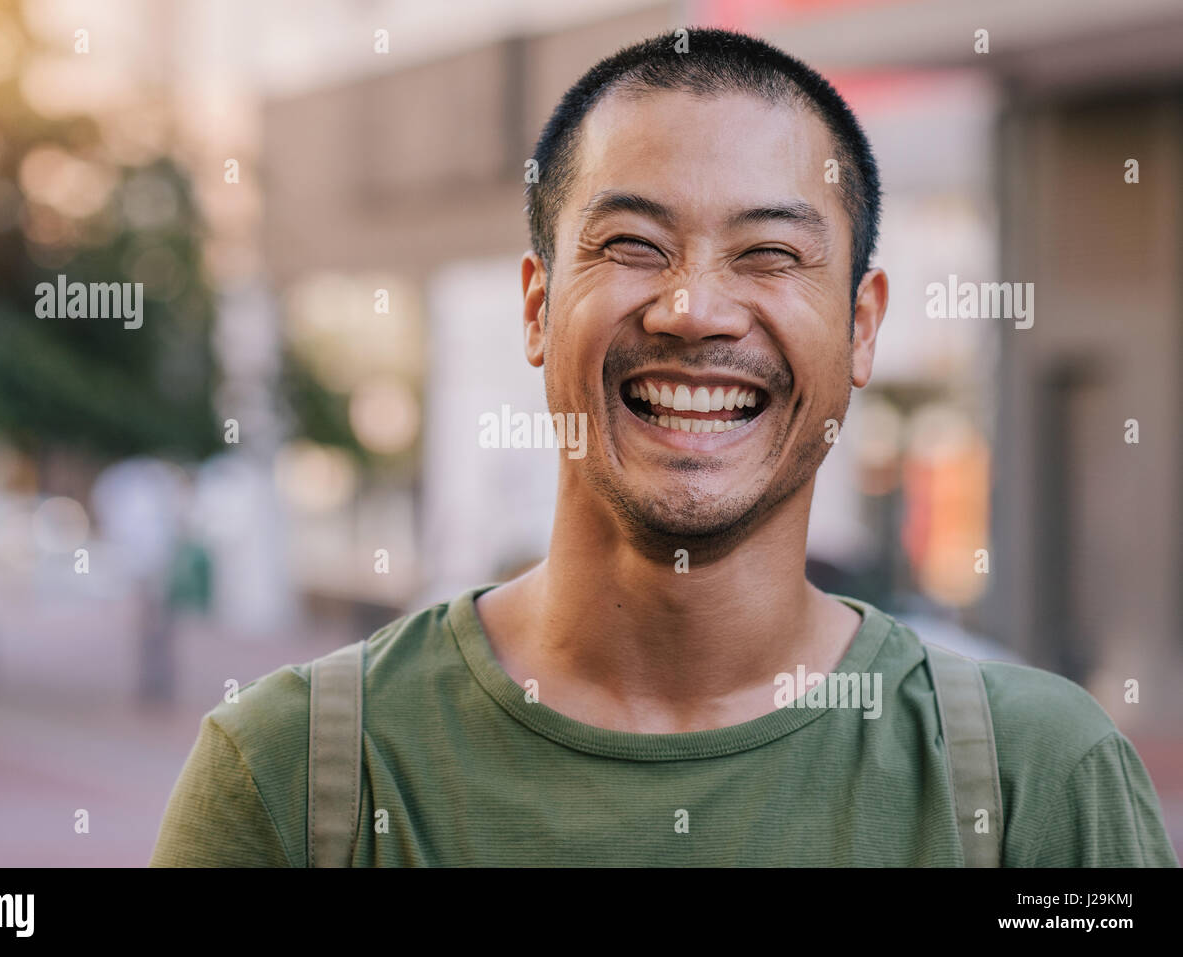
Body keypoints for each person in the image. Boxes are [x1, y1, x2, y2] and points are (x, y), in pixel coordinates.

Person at [150, 27, 1178, 867]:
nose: (693, 310)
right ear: (537, 307)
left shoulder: (1033, 782)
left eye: (770, 254)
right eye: (633, 246)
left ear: (861, 326)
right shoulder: (302, 779)